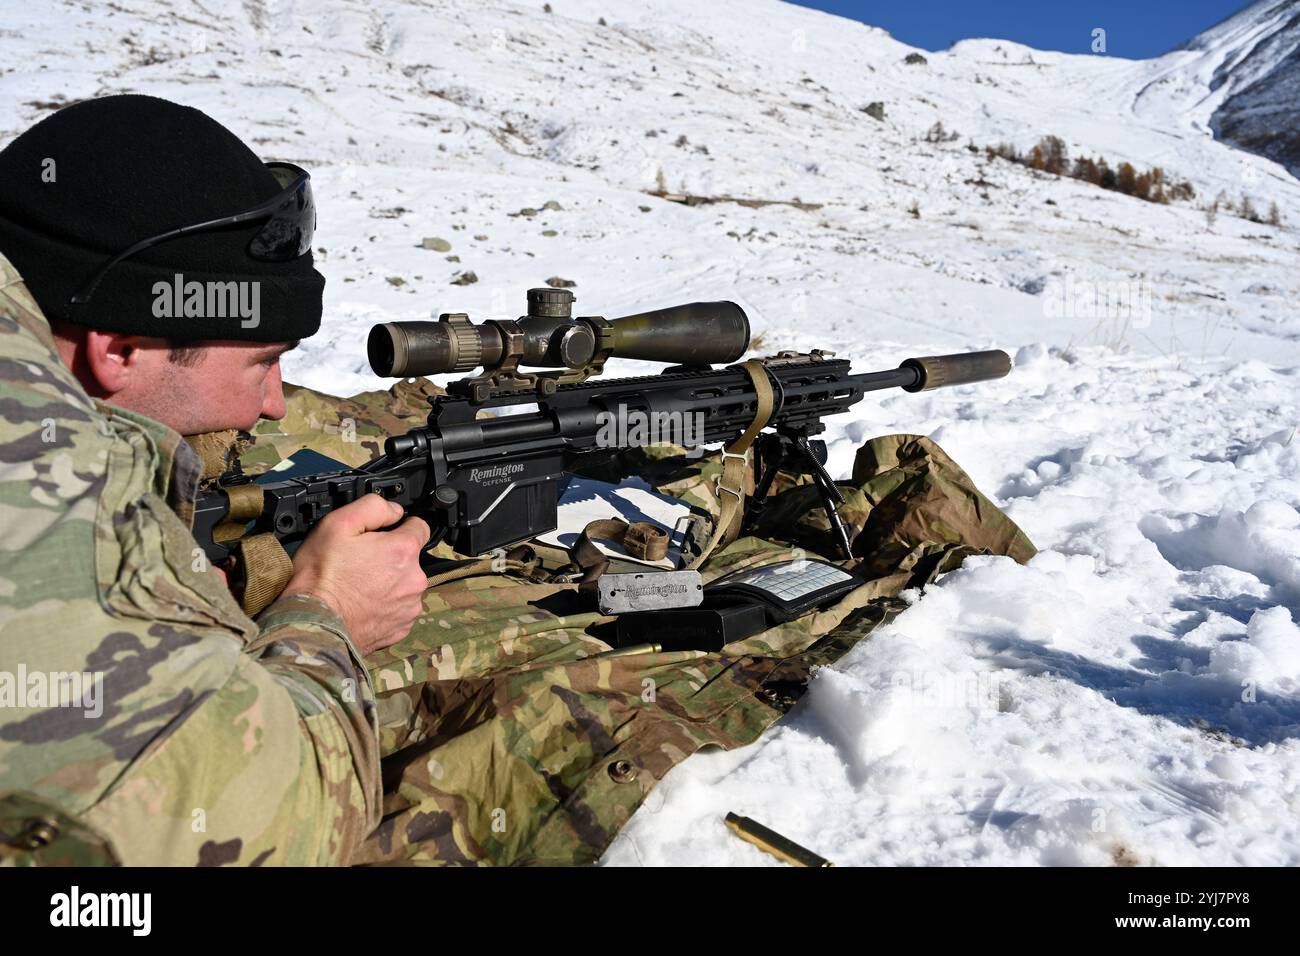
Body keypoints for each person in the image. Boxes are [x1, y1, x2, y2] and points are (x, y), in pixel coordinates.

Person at [0, 94, 429, 864]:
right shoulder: (40, 483)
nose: (271, 404)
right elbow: (262, 823)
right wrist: (327, 619)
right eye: (263, 362)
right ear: (120, 351)